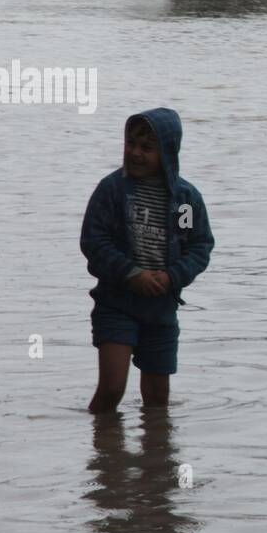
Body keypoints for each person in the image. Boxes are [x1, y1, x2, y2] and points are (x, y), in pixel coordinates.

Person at [82, 109, 215, 413]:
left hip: (161, 311)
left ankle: (155, 457)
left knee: (157, 401)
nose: (135, 153)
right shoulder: (113, 191)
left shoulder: (183, 200)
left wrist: (172, 277)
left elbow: (198, 247)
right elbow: (94, 241)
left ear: (167, 153)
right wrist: (131, 273)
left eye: (146, 148)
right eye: (131, 144)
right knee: (112, 389)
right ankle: (104, 452)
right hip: (116, 304)